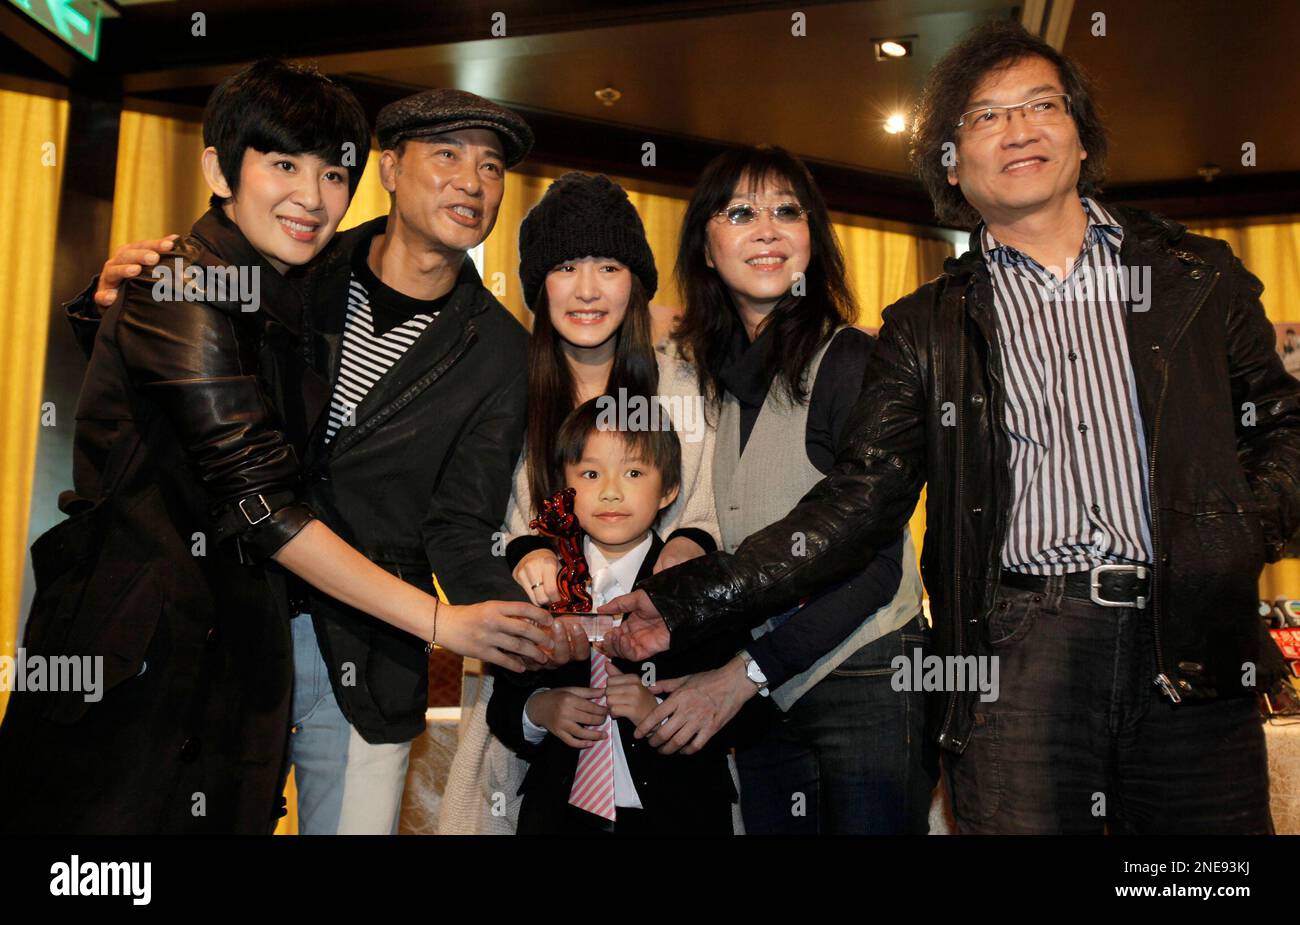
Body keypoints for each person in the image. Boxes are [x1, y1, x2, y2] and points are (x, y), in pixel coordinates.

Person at [604, 20, 1300, 835]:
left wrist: (1228, 537)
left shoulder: (1195, 277)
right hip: (1017, 650)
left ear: (1081, 134)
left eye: (1042, 103)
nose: (1018, 128)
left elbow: (1283, 429)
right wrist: (688, 598)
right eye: (985, 116)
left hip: (1193, 641)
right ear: (951, 163)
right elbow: (857, 503)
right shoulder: (926, 325)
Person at [0, 62, 550, 835]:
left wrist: (506, 619)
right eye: (448, 155)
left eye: (491, 165)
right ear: (389, 171)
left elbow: (459, 518)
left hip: (353, 644)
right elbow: (233, 463)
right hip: (181, 628)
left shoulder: (496, 349)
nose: (472, 181)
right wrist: (113, 306)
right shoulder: (285, 267)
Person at [619, 144, 934, 834]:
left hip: (865, 676)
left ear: (813, 241)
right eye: (740, 212)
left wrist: (746, 672)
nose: (767, 229)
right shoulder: (720, 384)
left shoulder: (853, 359)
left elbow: (877, 566)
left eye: (787, 211)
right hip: (767, 694)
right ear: (706, 247)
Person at [439, 171, 721, 834]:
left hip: (663, 693)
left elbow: (703, 514)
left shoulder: (682, 379)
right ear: (538, 282)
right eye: (566, 266)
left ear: (638, 281)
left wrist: (684, 558)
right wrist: (527, 558)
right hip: (534, 681)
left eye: (609, 265)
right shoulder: (509, 385)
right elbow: (484, 525)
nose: (588, 289)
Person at [487, 400, 762, 834]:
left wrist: (657, 711)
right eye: (591, 474)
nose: (611, 491)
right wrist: (540, 708)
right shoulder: (544, 585)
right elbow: (502, 703)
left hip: (679, 816)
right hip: (561, 816)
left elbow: (750, 713)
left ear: (669, 489)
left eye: (633, 473)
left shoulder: (697, 588)